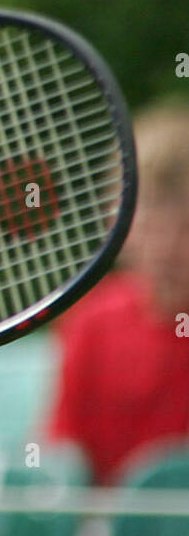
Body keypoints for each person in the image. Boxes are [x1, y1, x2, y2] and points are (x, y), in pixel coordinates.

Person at [46, 97, 189, 483]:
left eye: (186, 228)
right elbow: (62, 454)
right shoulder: (91, 321)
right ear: (118, 224)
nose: (166, 248)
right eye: (150, 225)